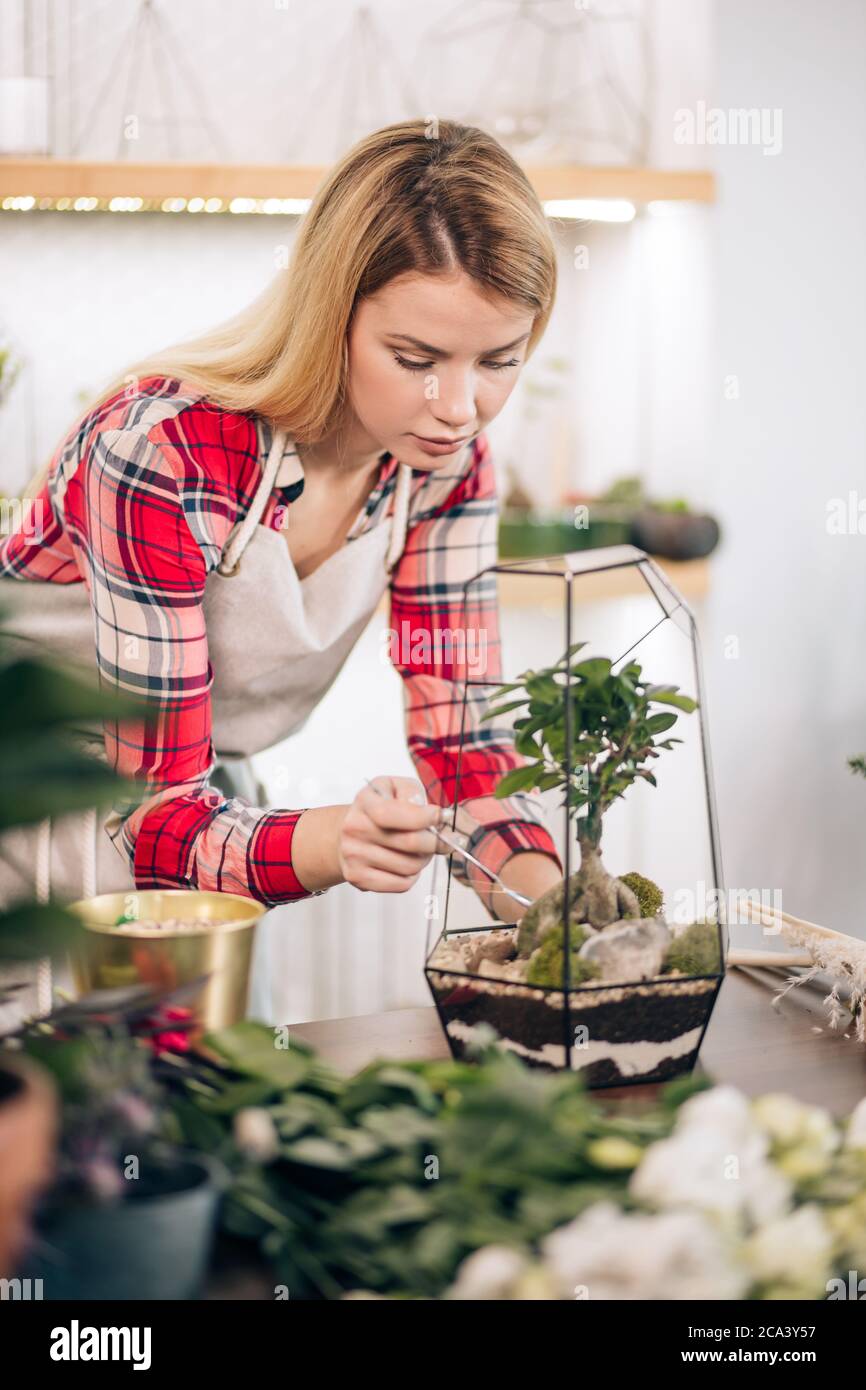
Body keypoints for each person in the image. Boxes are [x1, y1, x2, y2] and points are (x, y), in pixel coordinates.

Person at [0, 117, 563, 948]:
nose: (459, 407)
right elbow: (154, 815)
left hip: (203, 832)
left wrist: (551, 906)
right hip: (33, 821)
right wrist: (338, 841)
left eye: (499, 360)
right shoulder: (159, 448)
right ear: (331, 314)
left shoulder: (445, 469)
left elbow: (464, 745)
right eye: (416, 359)